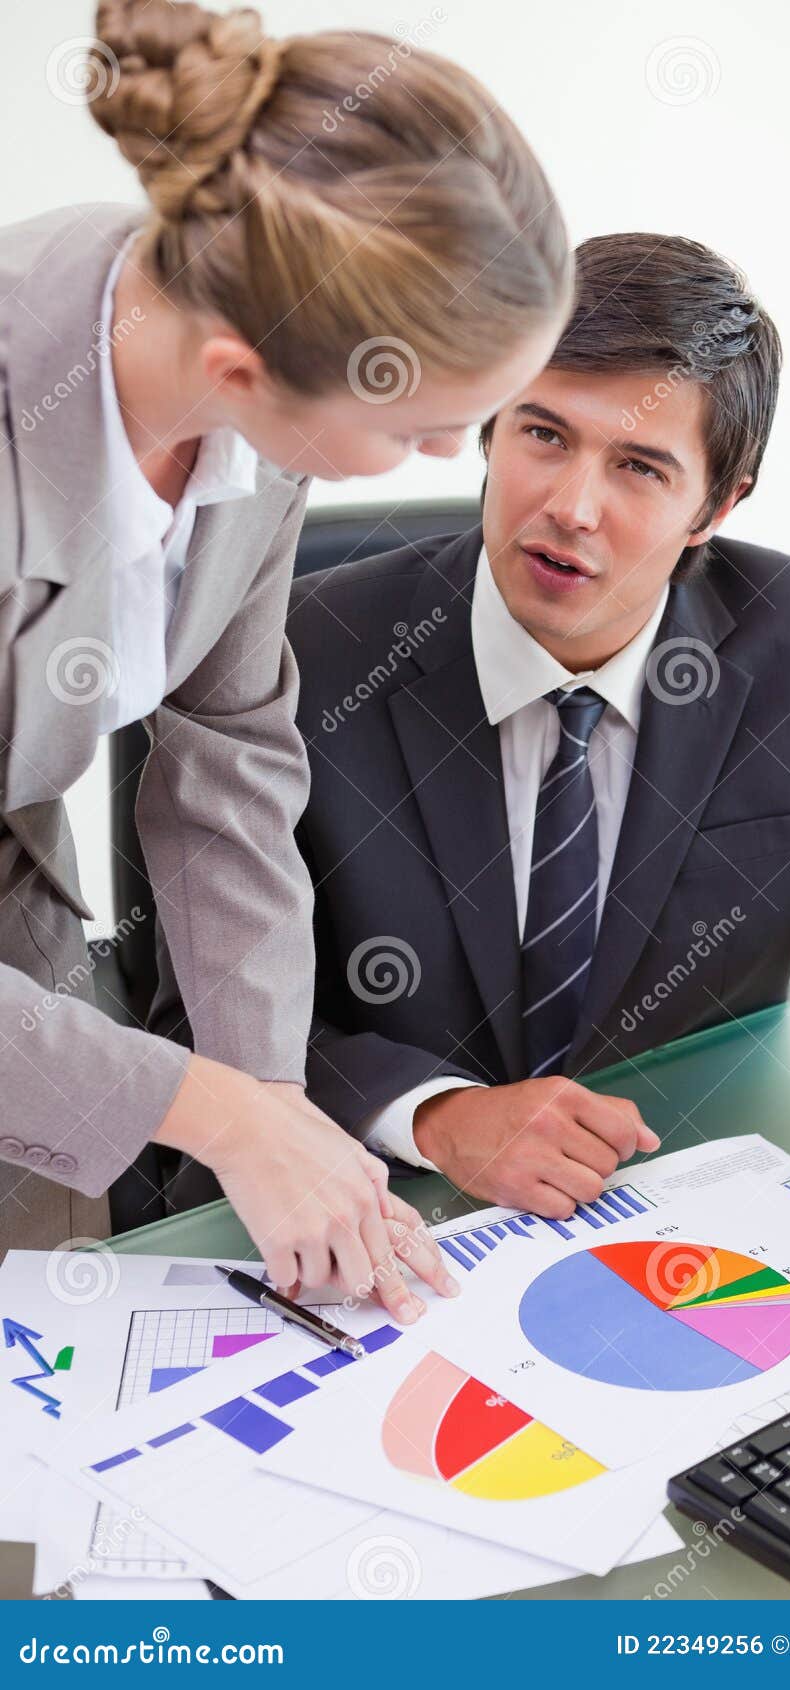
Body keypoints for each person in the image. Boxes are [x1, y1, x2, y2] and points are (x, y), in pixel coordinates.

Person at [238, 229, 790, 1263]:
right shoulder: (303, 652)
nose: (569, 506)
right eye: (542, 434)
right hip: (380, 1228)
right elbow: (194, 1014)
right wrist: (433, 1116)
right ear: (490, 426)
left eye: (637, 466)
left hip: (678, 1222)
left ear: (717, 503)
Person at [0, 0, 572, 1318]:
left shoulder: (246, 367)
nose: (452, 465)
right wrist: (215, 1113)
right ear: (238, 368)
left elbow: (227, 746)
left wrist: (267, 1100)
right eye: (422, 429)